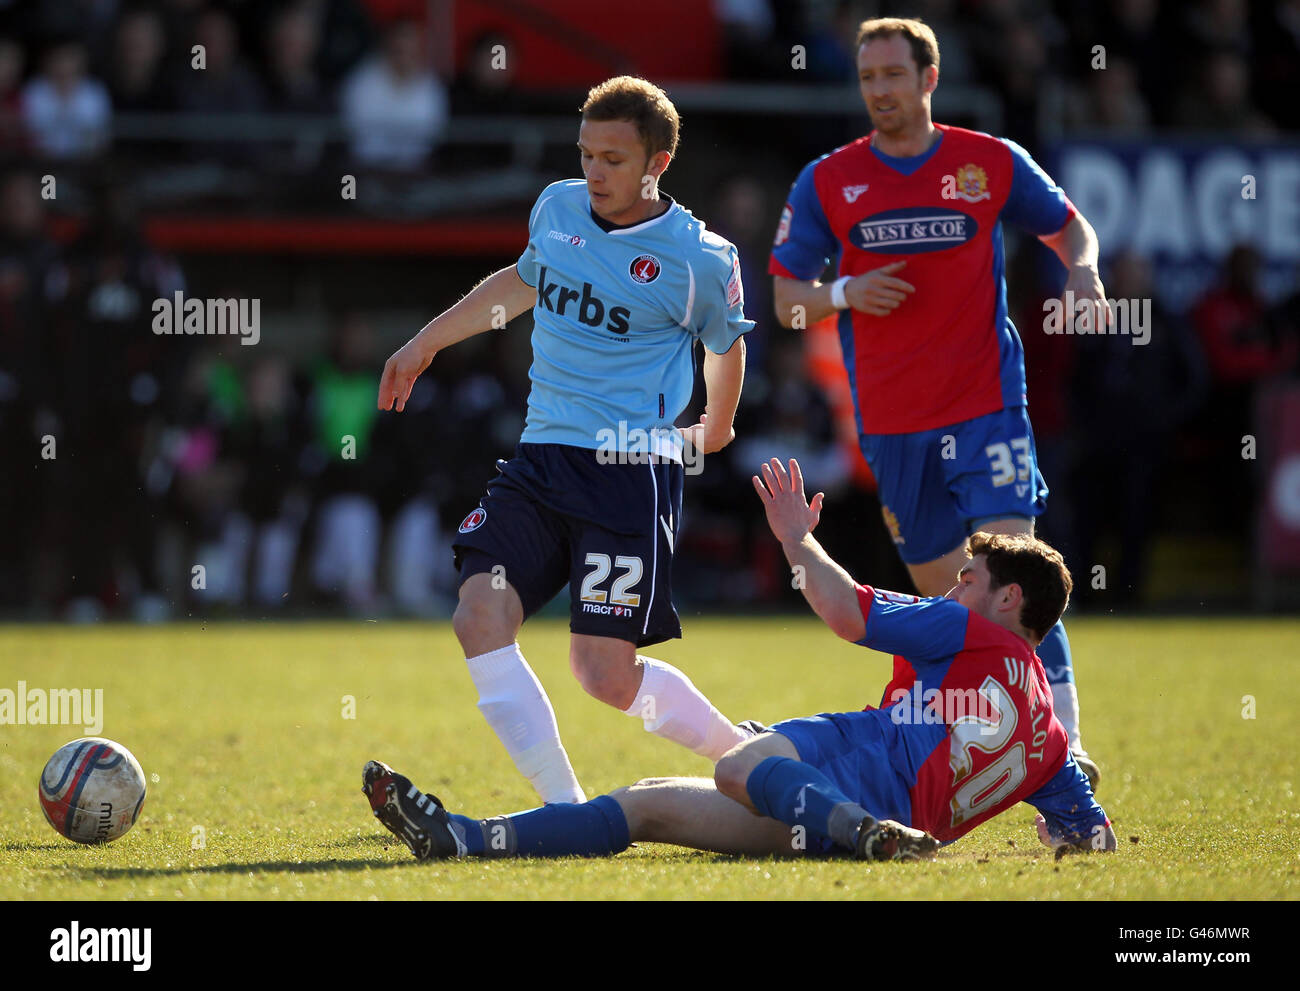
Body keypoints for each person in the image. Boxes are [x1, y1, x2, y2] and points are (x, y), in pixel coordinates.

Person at [361, 457, 1115, 862]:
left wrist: (796, 538)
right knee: (646, 802)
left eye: (971, 579)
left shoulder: (971, 632)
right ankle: (466, 836)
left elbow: (845, 609)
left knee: (737, 763)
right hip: (851, 820)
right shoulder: (1050, 742)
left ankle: (855, 826)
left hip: (853, 768)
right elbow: (1093, 833)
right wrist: (1069, 835)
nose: (955, 585)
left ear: (1010, 601)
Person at [376, 76, 753, 806]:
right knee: (478, 614)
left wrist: (719, 423)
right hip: (541, 456)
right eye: (586, 153)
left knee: (604, 676)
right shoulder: (555, 207)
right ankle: (565, 808)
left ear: (658, 163)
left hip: (627, 470)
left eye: (614, 158)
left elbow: (726, 344)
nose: (595, 172)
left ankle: (745, 755)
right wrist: (426, 343)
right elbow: (520, 283)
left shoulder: (699, 258)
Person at [768, 17, 1111, 787]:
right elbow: (789, 302)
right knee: (952, 603)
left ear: (928, 78)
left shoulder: (986, 163)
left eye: (894, 74)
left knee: (1008, 573)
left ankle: (1066, 747)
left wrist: (1083, 272)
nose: (880, 90)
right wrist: (846, 291)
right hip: (893, 424)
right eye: (868, 78)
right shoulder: (828, 181)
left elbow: (1070, 229)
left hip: (986, 404)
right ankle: (990, 730)